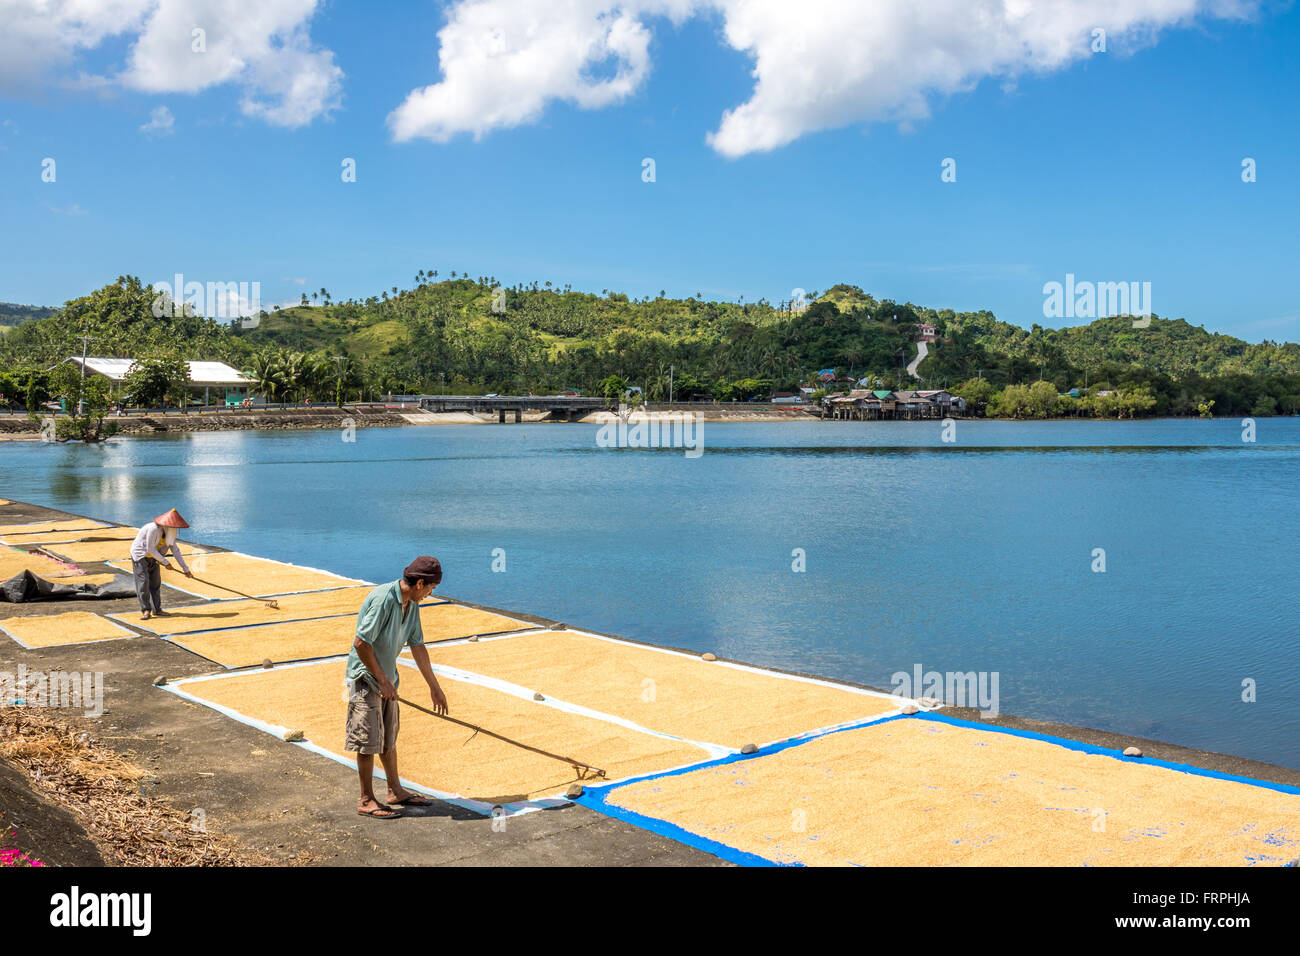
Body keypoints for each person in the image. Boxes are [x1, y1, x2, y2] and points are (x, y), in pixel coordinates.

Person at [345, 555, 449, 819]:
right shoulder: (384, 600)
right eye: (431, 589)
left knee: (388, 739)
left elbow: (417, 645)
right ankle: (366, 799)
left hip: (387, 679)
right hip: (366, 678)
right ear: (420, 583)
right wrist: (381, 680)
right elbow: (361, 643)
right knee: (367, 740)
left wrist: (434, 687)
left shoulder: (411, 605)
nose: (430, 594)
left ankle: (395, 791)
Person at [129, 508, 193, 620]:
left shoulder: (170, 534)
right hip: (141, 555)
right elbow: (150, 548)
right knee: (143, 582)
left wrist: (186, 569)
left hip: (155, 557)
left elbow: (176, 551)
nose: (175, 529)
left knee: (155, 583)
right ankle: (146, 610)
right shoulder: (153, 529)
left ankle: (157, 609)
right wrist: (165, 562)